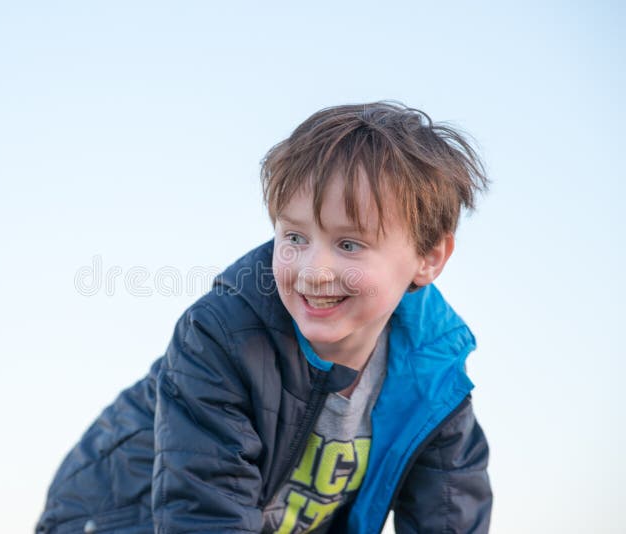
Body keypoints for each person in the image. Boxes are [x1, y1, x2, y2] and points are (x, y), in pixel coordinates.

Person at [36, 102, 493, 533]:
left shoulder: (435, 380)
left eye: (349, 244)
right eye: (295, 237)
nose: (313, 271)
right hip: (115, 517)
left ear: (429, 258)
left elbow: (448, 516)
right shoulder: (222, 336)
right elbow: (205, 516)